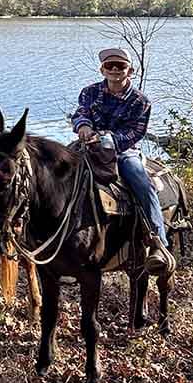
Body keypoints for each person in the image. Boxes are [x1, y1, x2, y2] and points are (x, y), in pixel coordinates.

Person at [72, 47, 175, 276]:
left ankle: (158, 242)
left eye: (121, 66)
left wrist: (110, 139)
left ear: (131, 70)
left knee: (141, 182)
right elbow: (80, 113)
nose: (115, 69)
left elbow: (135, 132)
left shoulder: (141, 101)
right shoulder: (89, 92)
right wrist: (83, 125)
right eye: (110, 65)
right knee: (56, 170)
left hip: (124, 151)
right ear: (102, 69)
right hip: (89, 147)